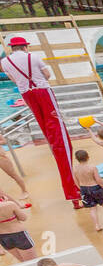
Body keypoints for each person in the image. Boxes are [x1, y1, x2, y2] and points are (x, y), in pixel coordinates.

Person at [1, 36, 80, 204]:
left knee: (47, 130)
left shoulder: (5, 61)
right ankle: (72, 191)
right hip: (42, 91)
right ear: (24, 47)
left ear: (12, 48)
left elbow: (14, 79)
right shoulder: (33, 57)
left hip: (27, 94)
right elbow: (47, 75)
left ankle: (71, 187)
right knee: (58, 132)